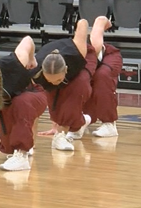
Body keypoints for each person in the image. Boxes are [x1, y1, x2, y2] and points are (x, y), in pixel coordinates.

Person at [0, 35, 54, 170]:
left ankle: (22, 155)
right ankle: (20, 148)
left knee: (21, 102)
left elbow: (28, 40)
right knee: (8, 146)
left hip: (35, 94)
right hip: (7, 105)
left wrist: (31, 58)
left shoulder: (14, 63)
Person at [36, 16, 119, 148]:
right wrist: (55, 124)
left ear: (66, 70)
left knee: (84, 83)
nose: (55, 83)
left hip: (92, 54)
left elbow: (83, 24)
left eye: (58, 79)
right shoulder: (35, 70)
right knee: (57, 88)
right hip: (64, 53)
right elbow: (52, 95)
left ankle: (107, 123)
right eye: (51, 80)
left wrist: (100, 22)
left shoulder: (79, 54)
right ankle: (77, 122)